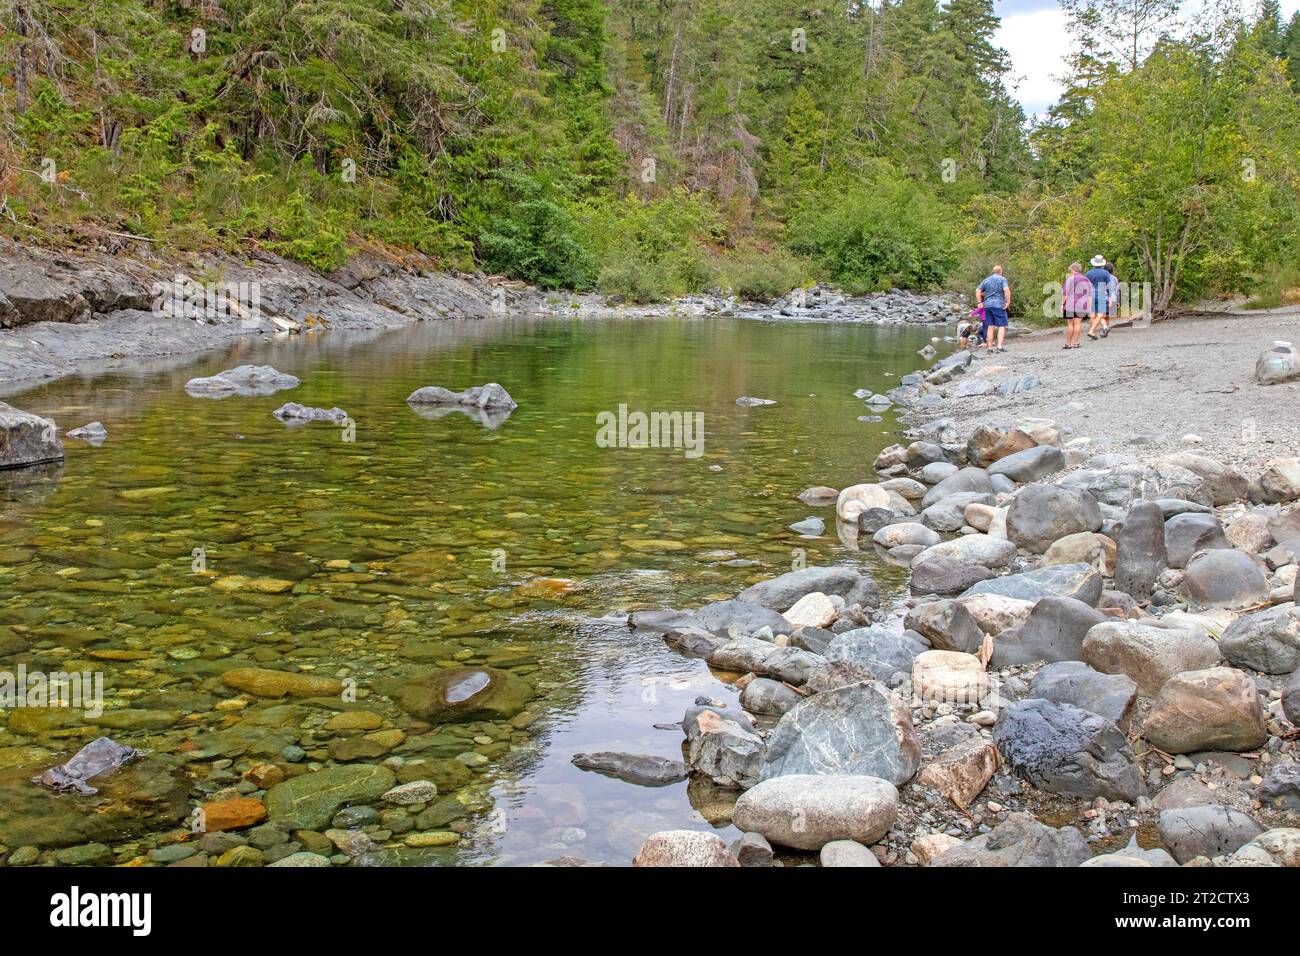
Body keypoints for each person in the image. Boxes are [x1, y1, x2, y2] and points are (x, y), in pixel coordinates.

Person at [976, 265, 1011, 352]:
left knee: (990, 326)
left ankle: (989, 348)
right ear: (1001, 271)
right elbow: (1006, 290)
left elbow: (978, 290)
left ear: (993, 271)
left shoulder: (986, 280)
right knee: (1001, 326)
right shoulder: (1002, 279)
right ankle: (999, 346)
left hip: (987, 305)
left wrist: (979, 302)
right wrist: (1008, 302)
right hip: (999, 304)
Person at [1061, 261, 1091, 350]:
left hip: (1070, 305)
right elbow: (1089, 294)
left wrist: (1062, 304)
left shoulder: (1071, 279)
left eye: (1071, 270)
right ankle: (1077, 343)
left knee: (1070, 324)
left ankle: (1068, 344)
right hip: (1081, 305)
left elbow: (1065, 293)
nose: (1070, 272)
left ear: (1073, 269)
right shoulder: (1086, 279)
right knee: (1077, 323)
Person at [1085, 254, 1111, 339]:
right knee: (1100, 314)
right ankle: (1091, 331)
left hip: (1090, 295)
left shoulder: (1088, 273)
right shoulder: (1105, 273)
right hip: (1101, 294)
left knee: (1092, 315)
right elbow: (1109, 286)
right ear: (1102, 264)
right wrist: (1110, 298)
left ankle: (1095, 332)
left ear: (1093, 263)